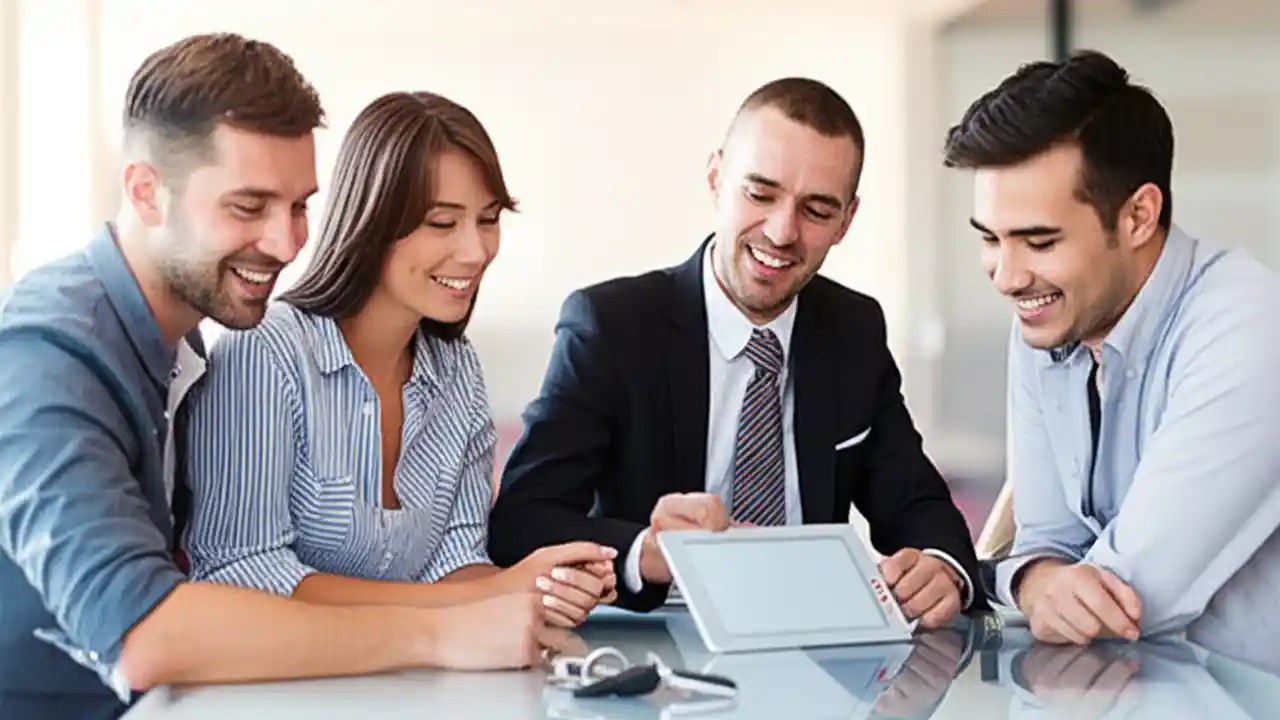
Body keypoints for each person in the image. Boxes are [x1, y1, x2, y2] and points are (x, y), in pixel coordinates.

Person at [0, 33, 572, 709]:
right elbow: (144, 632)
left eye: (299, 206)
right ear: (147, 192)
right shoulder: (48, 358)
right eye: (249, 207)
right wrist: (442, 634)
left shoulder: (182, 347)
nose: (287, 243)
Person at [488, 77, 982, 629]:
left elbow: (918, 505)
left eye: (817, 210)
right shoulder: (612, 327)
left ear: (846, 220)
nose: (782, 231)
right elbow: (522, 520)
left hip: (816, 642)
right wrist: (648, 552)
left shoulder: (853, 330)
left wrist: (941, 567)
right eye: (760, 194)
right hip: (660, 639)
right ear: (716, 178)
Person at [182, 91, 616, 627]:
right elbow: (243, 571)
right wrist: (496, 592)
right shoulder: (265, 354)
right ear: (373, 221)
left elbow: (456, 563)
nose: (476, 251)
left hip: (417, 671)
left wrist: (543, 587)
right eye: (442, 223)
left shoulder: (457, 371)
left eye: (487, 219)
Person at [943, 50, 1280, 657]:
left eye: (1039, 241)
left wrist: (1024, 580)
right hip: (1134, 687)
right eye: (991, 238)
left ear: (1138, 217)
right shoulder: (1047, 319)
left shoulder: (1250, 328)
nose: (1008, 277)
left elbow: (1129, 598)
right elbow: (1045, 545)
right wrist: (1031, 578)